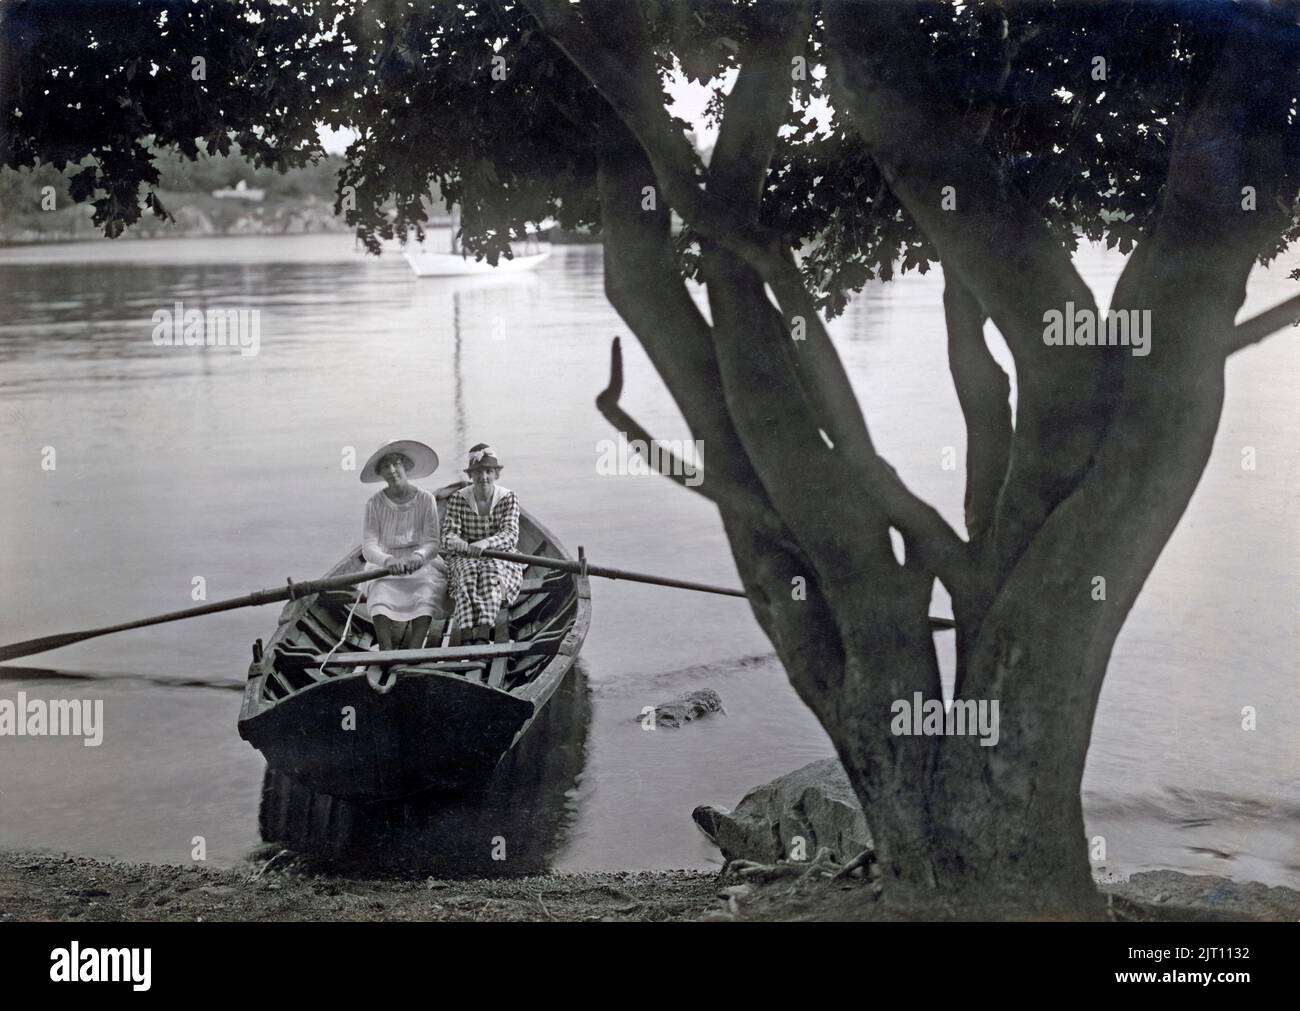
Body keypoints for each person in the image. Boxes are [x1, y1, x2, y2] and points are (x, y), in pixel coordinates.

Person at [358, 439, 449, 659]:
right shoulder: (374, 503)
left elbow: (432, 543)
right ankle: (386, 652)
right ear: (380, 472)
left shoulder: (426, 499)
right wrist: (388, 560)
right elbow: (368, 546)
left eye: (395, 464)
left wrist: (419, 557)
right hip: (387, 563)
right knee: (379, 590)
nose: (391, 470)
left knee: (427, 588)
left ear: (405, 466)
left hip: (420, 562)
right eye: (385, 466)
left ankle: (415, 651)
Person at [441, 444, 524, 645]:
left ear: (496, 475)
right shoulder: (458, 498)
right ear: (471, 476)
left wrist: (486, 543)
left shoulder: (508, 497)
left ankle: (484, 633)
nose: (483, 477)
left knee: (491, 574)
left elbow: (510, 535)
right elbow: (447, 535)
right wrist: (458, 542)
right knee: (467, 576)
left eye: (488, 472)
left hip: (500, 555)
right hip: (466, 556)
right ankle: (467, 634)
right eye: (478, 472)